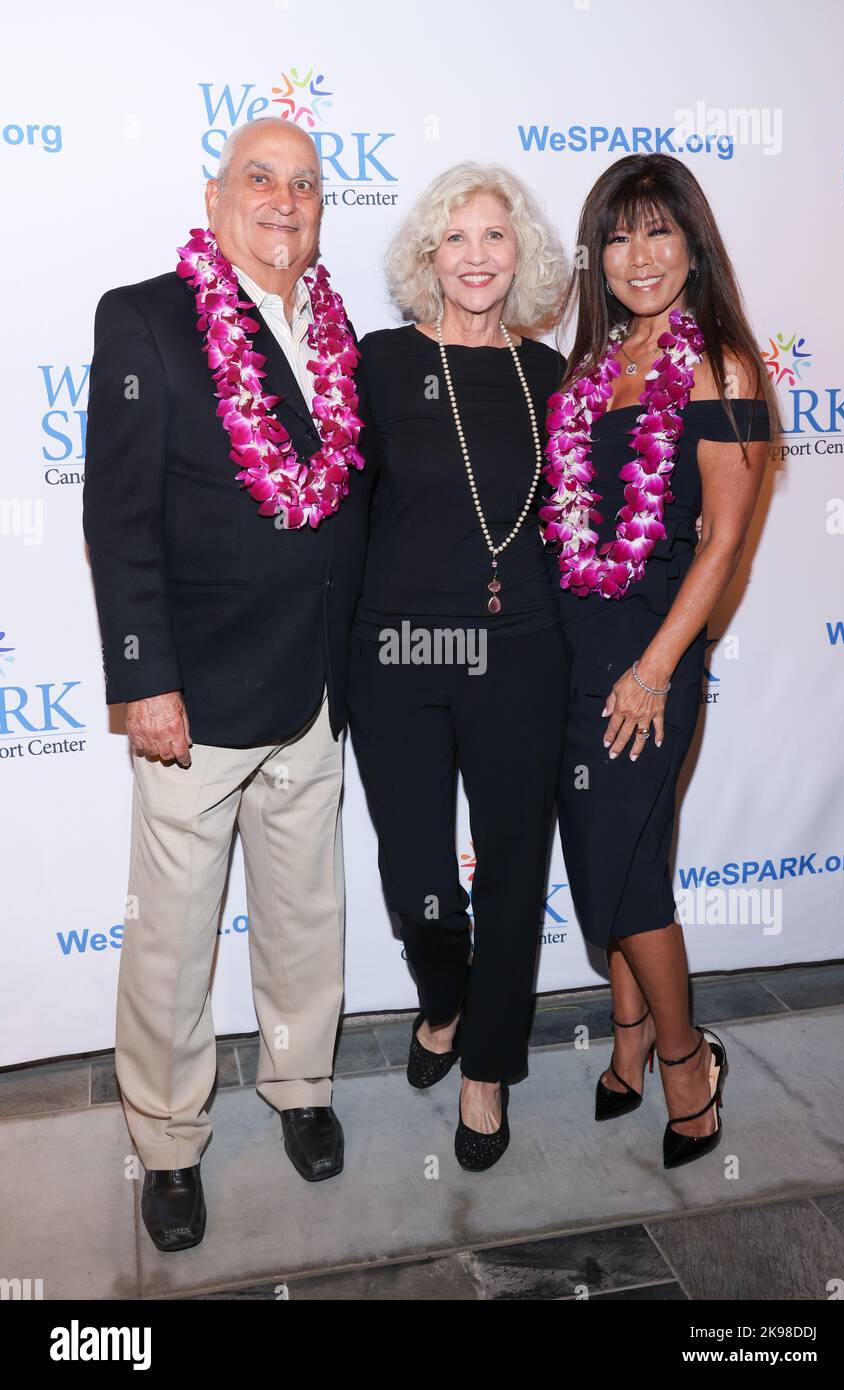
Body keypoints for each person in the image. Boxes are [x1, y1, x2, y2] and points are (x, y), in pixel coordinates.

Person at [82, 116, 373, 1251]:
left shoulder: (339, 327)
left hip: (311, 687)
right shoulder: (146, 317)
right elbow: (121, 520)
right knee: (172, 938)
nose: (284, 198)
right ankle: (166, 1140)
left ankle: (301, 1090)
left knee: (307, 914)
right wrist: (144, 681)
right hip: (193, 701)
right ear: (216, 199)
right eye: (261, 177)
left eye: (304, 183)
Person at [543, 153, 778, 1170]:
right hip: (573, 643)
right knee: (619, 861)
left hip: (657, 648)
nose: (640, 256)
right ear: (597, 255)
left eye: (659, 232)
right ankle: (629, 1038)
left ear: (693, 244)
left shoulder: (723, 364)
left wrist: (654, 669)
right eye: (619, 236)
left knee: (620, 874)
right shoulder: (589, 369)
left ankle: (687, 1064)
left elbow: (724, 540)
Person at [347, 163, 570, 1171]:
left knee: (516, 862)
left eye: (495, 236)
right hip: (402, 650)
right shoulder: (383, 362)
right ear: (426, 255)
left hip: (520, 647)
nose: (476, 255)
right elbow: (340, 515)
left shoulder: (547, 376)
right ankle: (443, 995)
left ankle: (488, 1063)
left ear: (520, 255)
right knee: (421, 874)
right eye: (456, 237)